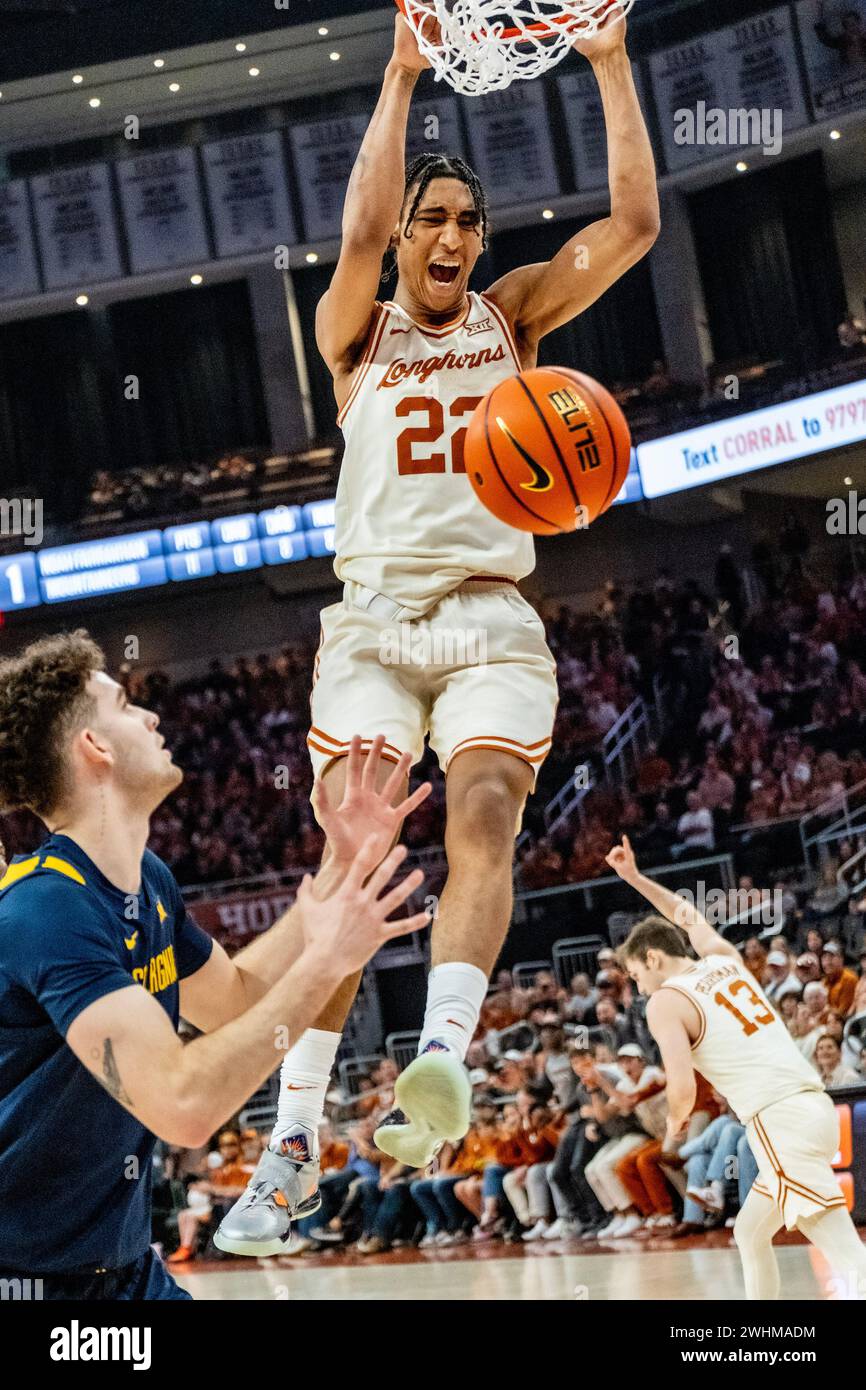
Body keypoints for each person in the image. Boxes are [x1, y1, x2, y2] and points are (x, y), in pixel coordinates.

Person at [218, 6, 659, 1253]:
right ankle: (293, 1143)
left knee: (480, 813)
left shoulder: (511, 321)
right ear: (405, 237)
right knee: (351, 866)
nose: (453, 236)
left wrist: (612, 65)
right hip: (367, 626)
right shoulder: (354, 333)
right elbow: (353, 228)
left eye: (468, 220)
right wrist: (402, 72)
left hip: (483, 616)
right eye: (434, 221)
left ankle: (442, 1064)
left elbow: (630, 229)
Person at [0, 633, 429, 1299]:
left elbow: (238, 1002)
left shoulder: (146, 881)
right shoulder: (45, 909)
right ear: (95, 748)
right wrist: (324, 960)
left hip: (125, 1274)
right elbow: (186, 1106)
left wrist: (343, 862)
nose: (151, 717)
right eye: (125, 705)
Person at [606, 835, 866, 1301]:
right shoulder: (724, 959)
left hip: (779, 1121)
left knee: (847, 1252)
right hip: (812, 1109)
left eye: (637, 975)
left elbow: (682, 1091)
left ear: (652, 958)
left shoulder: (667, 1001)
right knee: (749, 1232)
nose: (639, 988)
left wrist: (672, 1131)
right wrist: (636, 879)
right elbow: (687, 917)